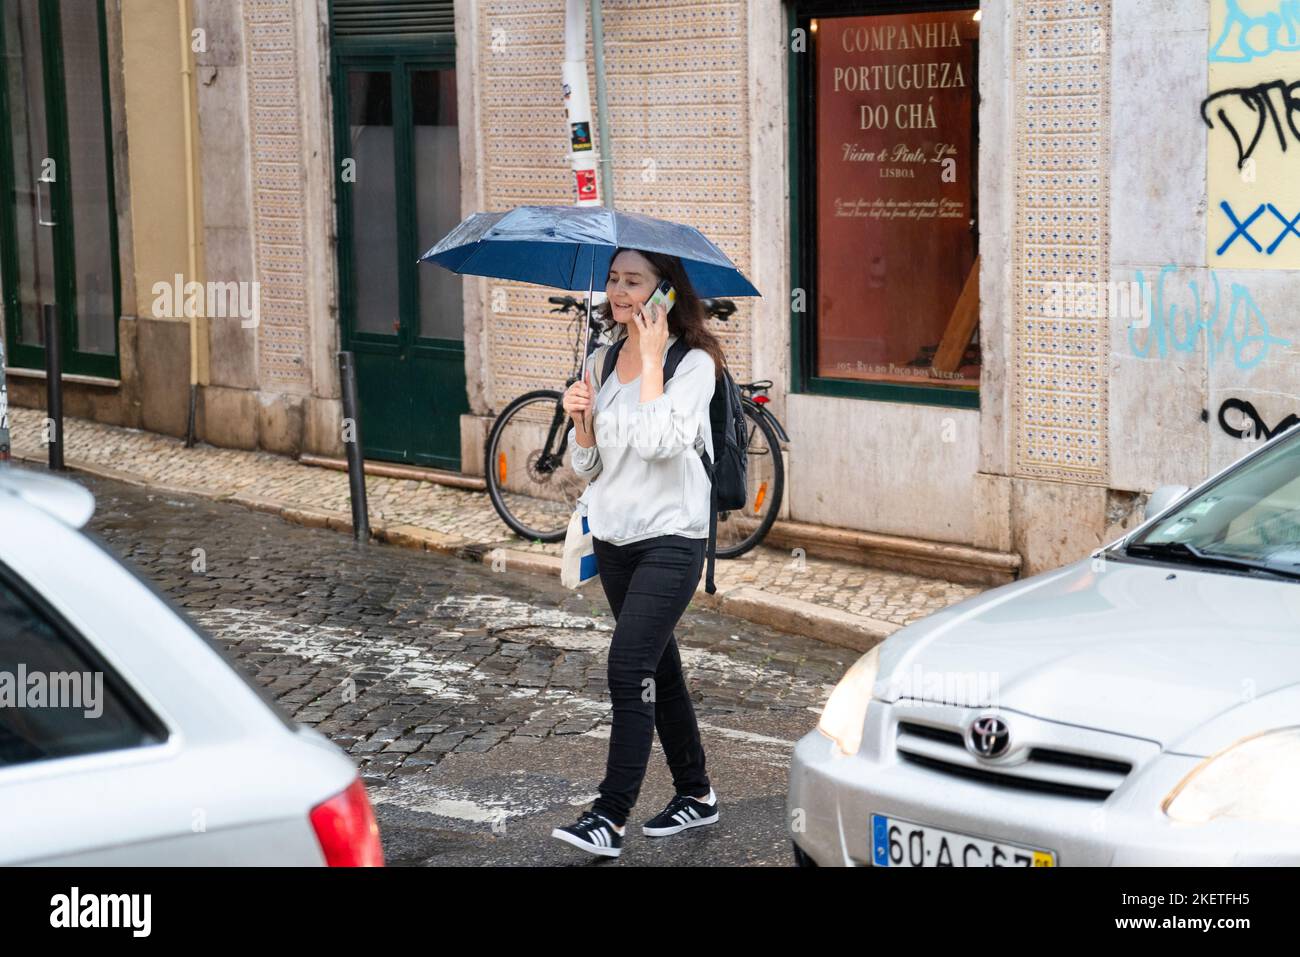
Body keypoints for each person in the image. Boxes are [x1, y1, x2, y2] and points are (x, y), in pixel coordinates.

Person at [550, 246, 727, 859]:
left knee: (629, 668)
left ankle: (609, 814)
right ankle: (696, 794)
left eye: (635, 281)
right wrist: (581, 424)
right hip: (616, 537)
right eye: (614, 280)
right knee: (659, 666)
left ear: (665, 290)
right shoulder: (600, 360)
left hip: (673, 536)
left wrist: (652, 361)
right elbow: (591, 466)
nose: (620, 291)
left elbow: (659, 445)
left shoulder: (693, 364)